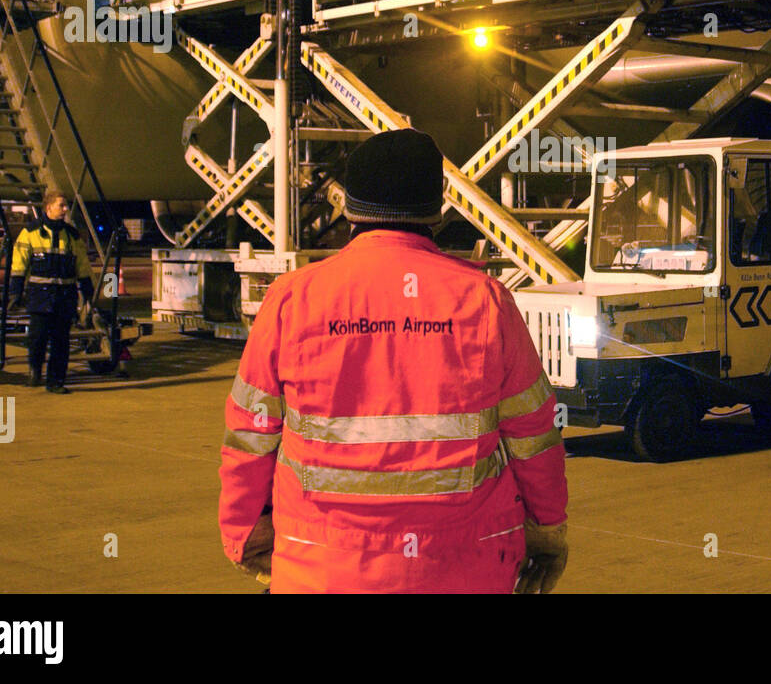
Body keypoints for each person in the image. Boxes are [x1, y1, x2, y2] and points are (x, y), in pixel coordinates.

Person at [219, 129, 569, 593]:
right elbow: (533, 437)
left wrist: (244, 533)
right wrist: (547, 531)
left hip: (322, 569)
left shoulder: (293, 300)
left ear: (347, 208)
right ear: (437, 212)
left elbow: (251, 433)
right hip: (465, 568)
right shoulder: (487, 303)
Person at [10, 190, 95, 393]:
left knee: (61, 341)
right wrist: (15, 292)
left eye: (66, 206)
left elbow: (82, 265)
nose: (65, 209)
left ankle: (56, 382)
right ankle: (35, 369)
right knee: (37, 338)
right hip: (40, 295)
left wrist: (88, 292)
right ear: (48, 208)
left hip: (64, 296)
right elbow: (19, 264)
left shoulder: (72, 236)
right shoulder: (30, 233)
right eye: (61, 206)